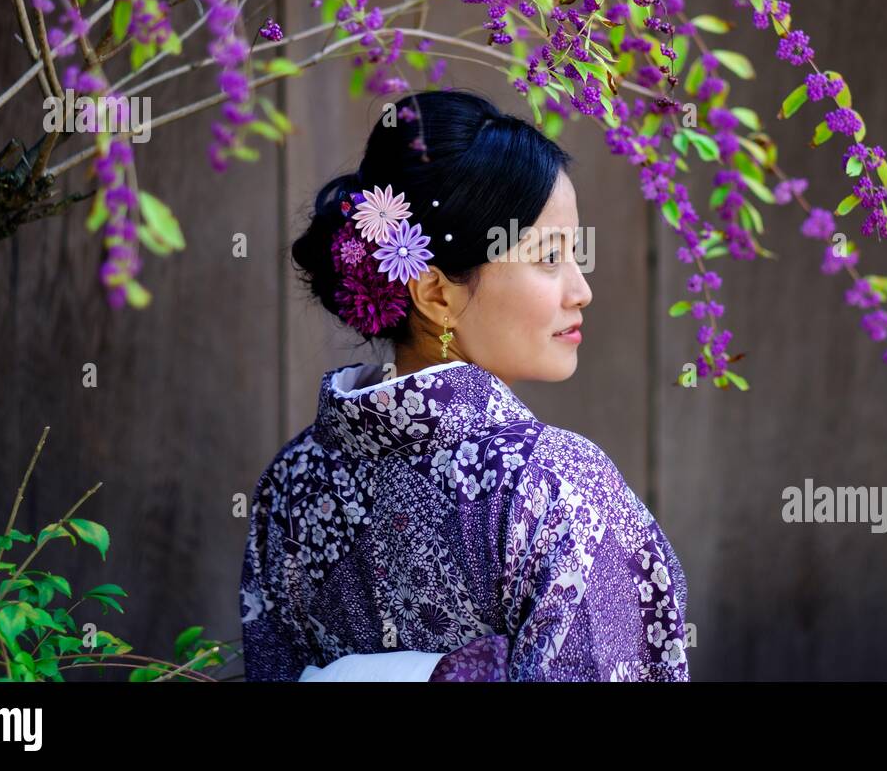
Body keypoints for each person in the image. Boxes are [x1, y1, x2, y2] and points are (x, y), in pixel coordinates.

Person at [239, 89, 690, 681]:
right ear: (437, 294)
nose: (581, 290)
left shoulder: (291, 483)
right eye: (548, 258)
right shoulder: (556, 488)